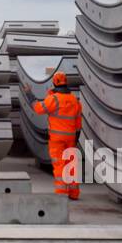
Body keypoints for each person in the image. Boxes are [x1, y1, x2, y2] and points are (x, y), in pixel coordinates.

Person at [30, 70, 82, 199]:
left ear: (54, 82)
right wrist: (76, 138)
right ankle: (74, 193)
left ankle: (61, 193)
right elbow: (78, 122)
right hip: (71, 137)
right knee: (71, 165)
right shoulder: (74, 100)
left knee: (59, 165)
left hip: (57, 139)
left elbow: (38, 108)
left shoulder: (54, 99)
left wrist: (29, 94)